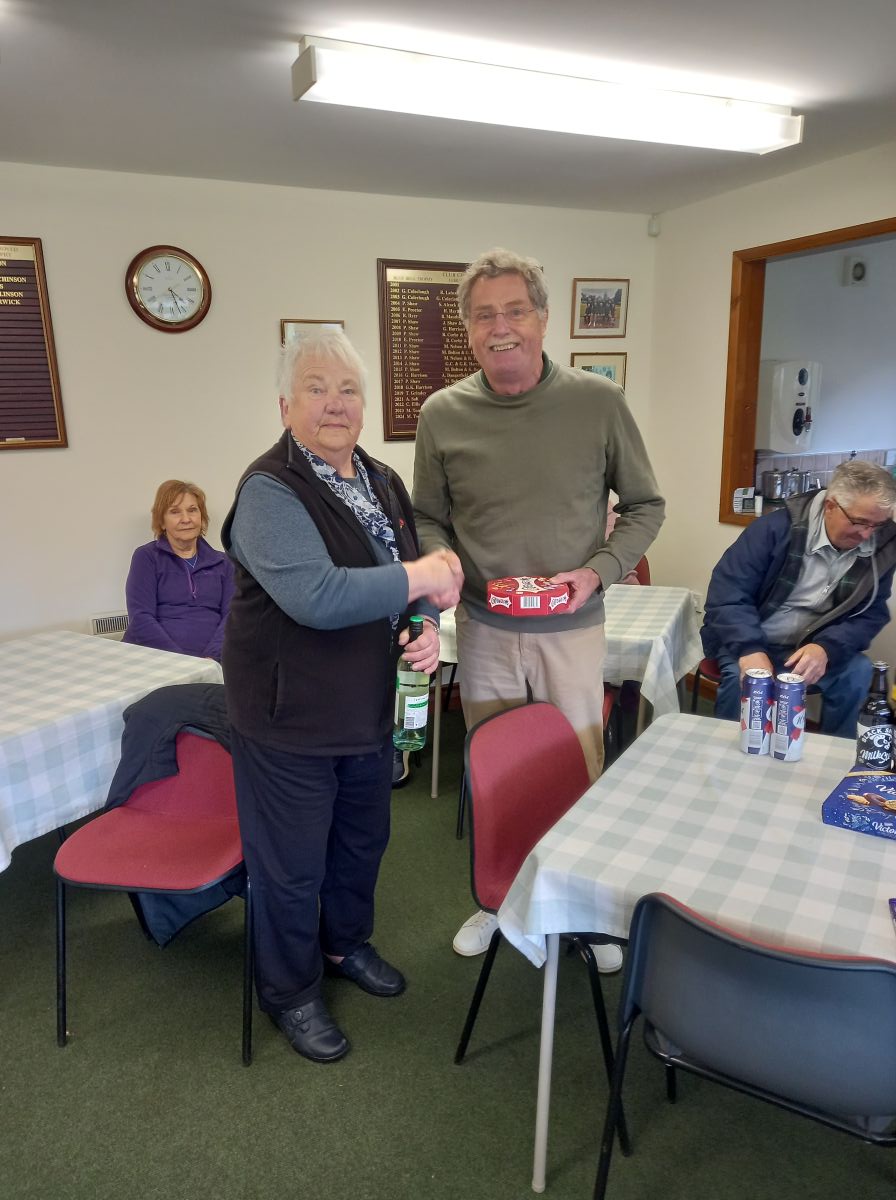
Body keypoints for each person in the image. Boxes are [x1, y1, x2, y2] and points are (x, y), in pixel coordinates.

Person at [412, 247, 665, 968]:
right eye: (484, 315)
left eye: (515, 310)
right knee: (497, 773)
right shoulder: (443, 414)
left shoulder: (598, 402)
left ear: (543, 318)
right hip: (485, 630)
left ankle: (580, 911)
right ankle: (500, 904)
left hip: (572, 632)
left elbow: (646, 506)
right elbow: (427, 518)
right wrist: (445, 566)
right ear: (466, 329)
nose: (501, 327)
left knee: (575, 769)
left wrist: (599, 573)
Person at [221, 328, 462, 1064]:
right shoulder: (268, 490)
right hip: (288, 717)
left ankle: (344, 946)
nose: (335, 404)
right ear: (286, 404)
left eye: (349, 390)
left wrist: (421, 623)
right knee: (292, 867)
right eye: (317, 389)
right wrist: (427, 581)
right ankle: (290, 992)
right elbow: (318, 597)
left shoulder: (380, 479)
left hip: (368, 710)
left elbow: (404, 570)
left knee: (361, 844)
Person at [701, 459, 896, 736]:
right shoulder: (773, 530)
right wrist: (749, 649)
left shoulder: (882, 546)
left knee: (858, 672)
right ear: (830, 505)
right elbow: (728, 595)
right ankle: (729, 759)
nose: (867, 535)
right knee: (741, 681)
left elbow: (871, 613)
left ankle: (835, 762)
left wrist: (827, 648)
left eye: (877, 525)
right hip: (752, 639)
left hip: (814, 649)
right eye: (859, 522)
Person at [122, 479, 234, 661]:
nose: (186, 519)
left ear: (201, 517)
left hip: (212, 662)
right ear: (162, 521)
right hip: (156, 658)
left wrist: (212, 658)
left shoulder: (224, 562)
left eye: (192, 510)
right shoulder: (146, 557)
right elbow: (140, 618)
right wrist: (180, 661)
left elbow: (233, 617)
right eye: (175, 512)